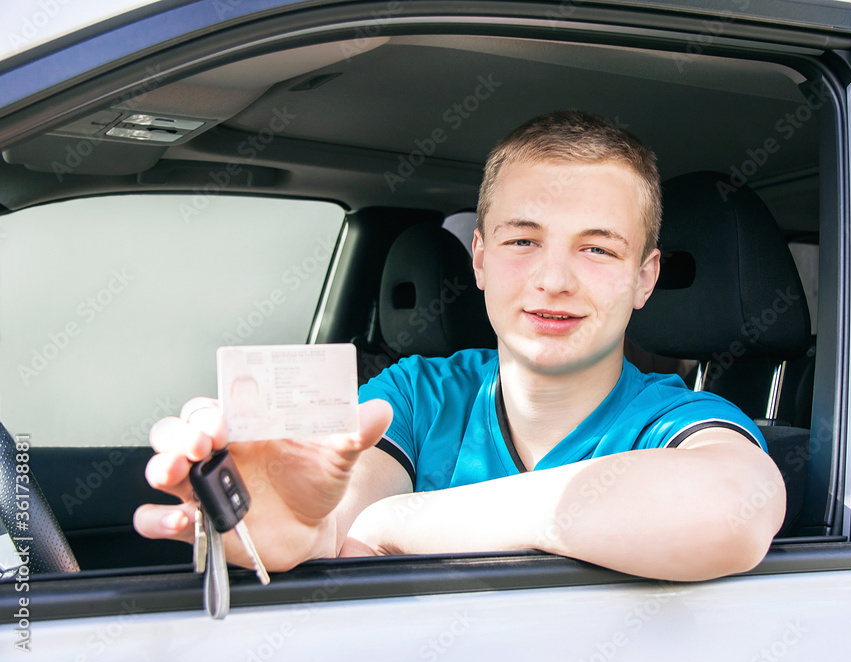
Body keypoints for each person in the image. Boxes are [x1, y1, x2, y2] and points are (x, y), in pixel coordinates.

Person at [134, 111, 785, 581]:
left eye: (596, 247)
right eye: (522, 240)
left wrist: (396, 525)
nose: (553, 279)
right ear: (478, 259)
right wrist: (303, 531)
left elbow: (736, 508)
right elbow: (338, 521)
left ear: (644, 278)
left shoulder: (675, 421)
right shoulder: (417, 394)